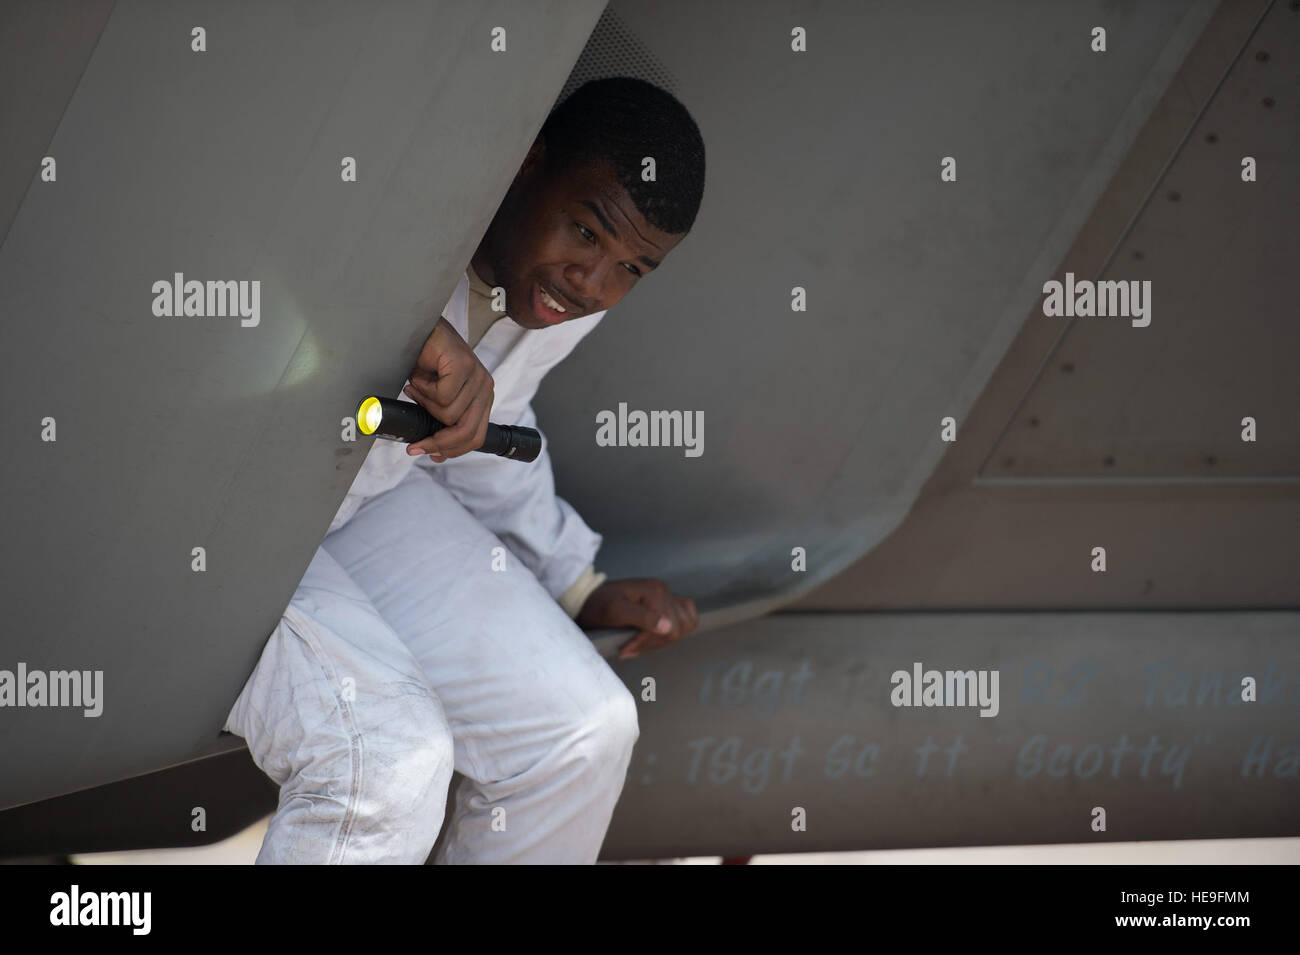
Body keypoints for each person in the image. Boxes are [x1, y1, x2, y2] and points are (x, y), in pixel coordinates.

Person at [224, 77, 706, 864]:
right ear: (524, 163)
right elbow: (239, 263)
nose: (592, 282)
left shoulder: (555, 298)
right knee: (386, 758)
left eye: (631, 269)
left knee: (583, 730)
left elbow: (497, 428)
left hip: (360, 505)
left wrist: (573, 583)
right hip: (226, 509)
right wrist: (404, 332)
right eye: (586, 231)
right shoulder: (393, 197)